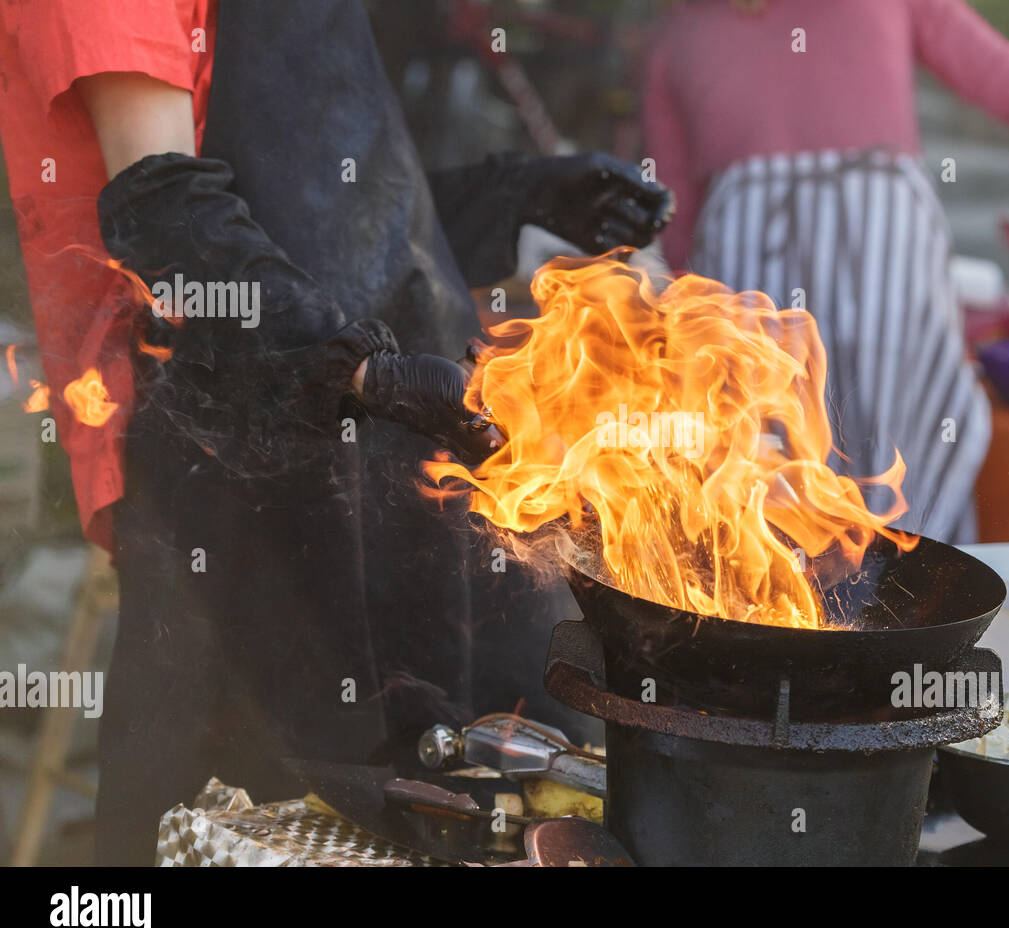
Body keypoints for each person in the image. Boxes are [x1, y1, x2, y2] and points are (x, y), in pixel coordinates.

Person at [0, 0, 669, 864]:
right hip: (241, 488)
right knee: (255, 822)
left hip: (406, 482)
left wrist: (514, 199)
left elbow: (319, 215)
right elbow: (170, 221)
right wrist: (364, 372)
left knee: (511, 804)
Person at [643, 0, 1009, 542]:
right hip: (887, 230)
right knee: (905, 448)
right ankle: (911, 599)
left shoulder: (681, 27)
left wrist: (692, 302)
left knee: (768, 457)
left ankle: (784, 609)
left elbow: (673, 209)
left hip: (747, 251)